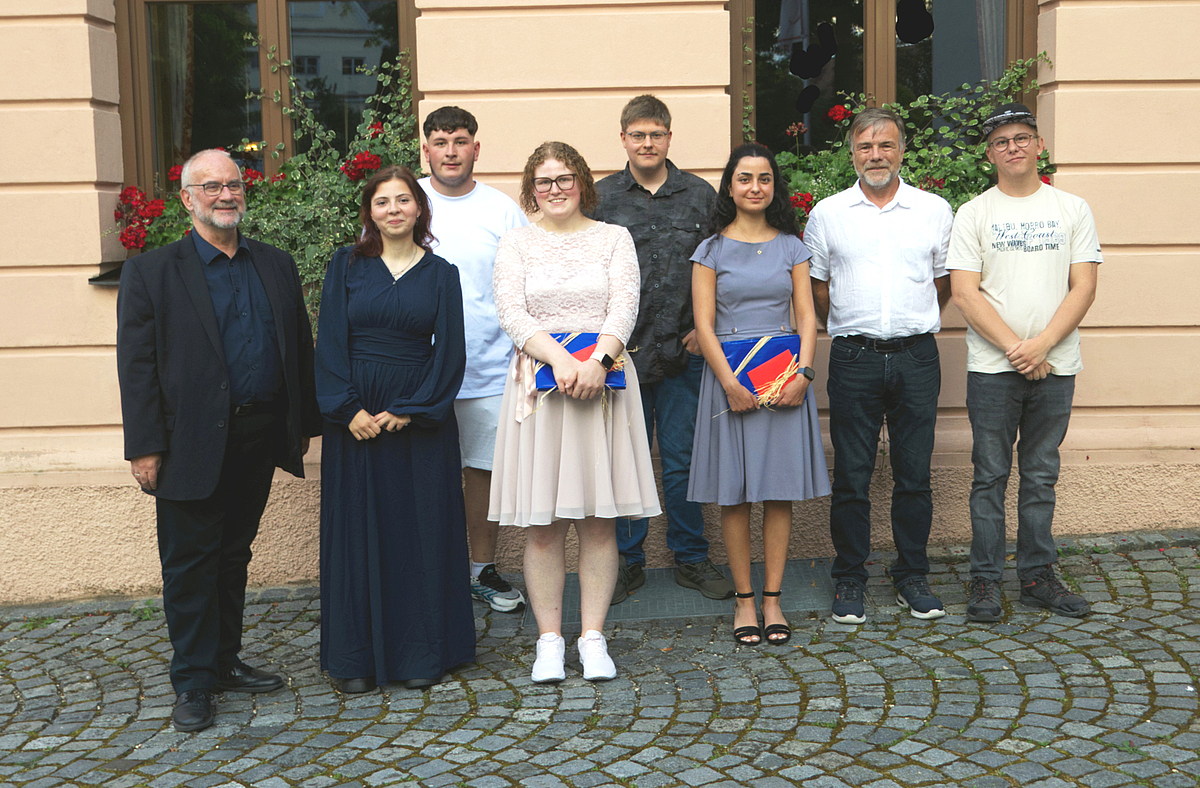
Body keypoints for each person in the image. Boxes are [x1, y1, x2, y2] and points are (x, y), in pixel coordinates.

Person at [116, 148, 321, 732]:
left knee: (233, 558)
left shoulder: (275, 264)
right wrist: (145, 446)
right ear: (187, 198)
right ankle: (193, 681)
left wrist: (300, 425)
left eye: (233, 185)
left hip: (258, 436)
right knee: (189, 566)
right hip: (187, 445)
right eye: (211, 187)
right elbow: (137, 367)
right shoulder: (152, 272)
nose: (226, 195)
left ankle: (225, 661)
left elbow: (296, 348)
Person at [489, 142, 661, 683]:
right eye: (544, 182)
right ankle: (547, 640)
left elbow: (625, 304)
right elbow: (511, 311)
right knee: (543, 525)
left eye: (564, 179)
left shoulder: (615, 238)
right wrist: (563, 360)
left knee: (598, 520)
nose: (555, 189)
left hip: (602, 388)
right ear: (531, 189)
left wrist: (597, 361)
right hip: (543, 390)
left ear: (582, 182)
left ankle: (592, 637)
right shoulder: (516, 242)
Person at [314, 165, 474, 692]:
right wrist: (347, 408)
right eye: (383, 202)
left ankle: (422, 653)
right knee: (356, 532)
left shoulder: (442, 273)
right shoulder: (346, 267)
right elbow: (330, 342)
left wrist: (413, 407)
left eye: (404, 200)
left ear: (419, 209)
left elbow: (450, 353)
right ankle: (353, 658)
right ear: (370, 212)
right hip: (355, 421)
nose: (394, 210)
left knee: (419, 533)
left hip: (418, 424)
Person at [947, 103, 1101, 622]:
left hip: (1056, 367)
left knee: (1040, 474)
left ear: (1039, 145)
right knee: (989, 474)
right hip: (992, 370)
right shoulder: (974, 213)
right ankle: (985, 581)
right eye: (1001, 141)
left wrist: (1043, 347)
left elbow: (1084, 286)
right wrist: (1018, 347)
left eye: (1022, 137)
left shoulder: (1072, 209)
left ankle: (1038, 575)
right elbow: (966, 294)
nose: (1013, 147)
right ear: (989, 154)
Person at [806, 107, 955, 625]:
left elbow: (944, 282)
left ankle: (911, 574)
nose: (876, 155)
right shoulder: (828, 213)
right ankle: (850, 577)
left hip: (917, 357)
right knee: (852, 476)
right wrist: (854, 323)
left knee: (914, 475)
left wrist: (911, 321)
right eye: (866, 146)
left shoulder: (934, 210)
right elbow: (818, 289)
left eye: (885, 145)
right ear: (852, 153)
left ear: (902, 150)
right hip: (854, 358)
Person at [591, 95, 731, 605]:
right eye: (637, 135)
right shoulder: (600, 198)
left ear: (669, 138)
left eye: (656, 134)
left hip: (683, 352)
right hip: (620, 355)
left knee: (682, 460)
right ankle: (628, 562)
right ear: (623, 138)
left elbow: (720, 265)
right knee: (623, 460)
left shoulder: (699, 195)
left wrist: (704, 327)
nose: (647, 143)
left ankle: (691, 557)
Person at [688, 143, 830, 646]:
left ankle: (773, 598)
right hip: (727, 383)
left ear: (775, 187)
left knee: (777, 491)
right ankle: (743, 601)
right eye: (745, 178)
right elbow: (703, 326)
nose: (755, 187)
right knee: (734, 494)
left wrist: (804, 375)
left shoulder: (793, 247)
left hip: (784, 381)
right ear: (730, 186)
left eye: (764, 179)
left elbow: (807, 317)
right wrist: (729, 383)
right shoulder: (709, 250)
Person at [418, 106, 529, 614]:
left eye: (460, 141)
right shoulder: (406, 201)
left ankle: (480, 571)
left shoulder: (501, 209)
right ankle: (427, 574)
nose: (450, 151)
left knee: (482, 473)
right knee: (424, 471)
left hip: (488, 369)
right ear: (426, 149)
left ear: (476, 149)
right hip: (418, 374)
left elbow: (524, 284)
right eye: (440, 142)